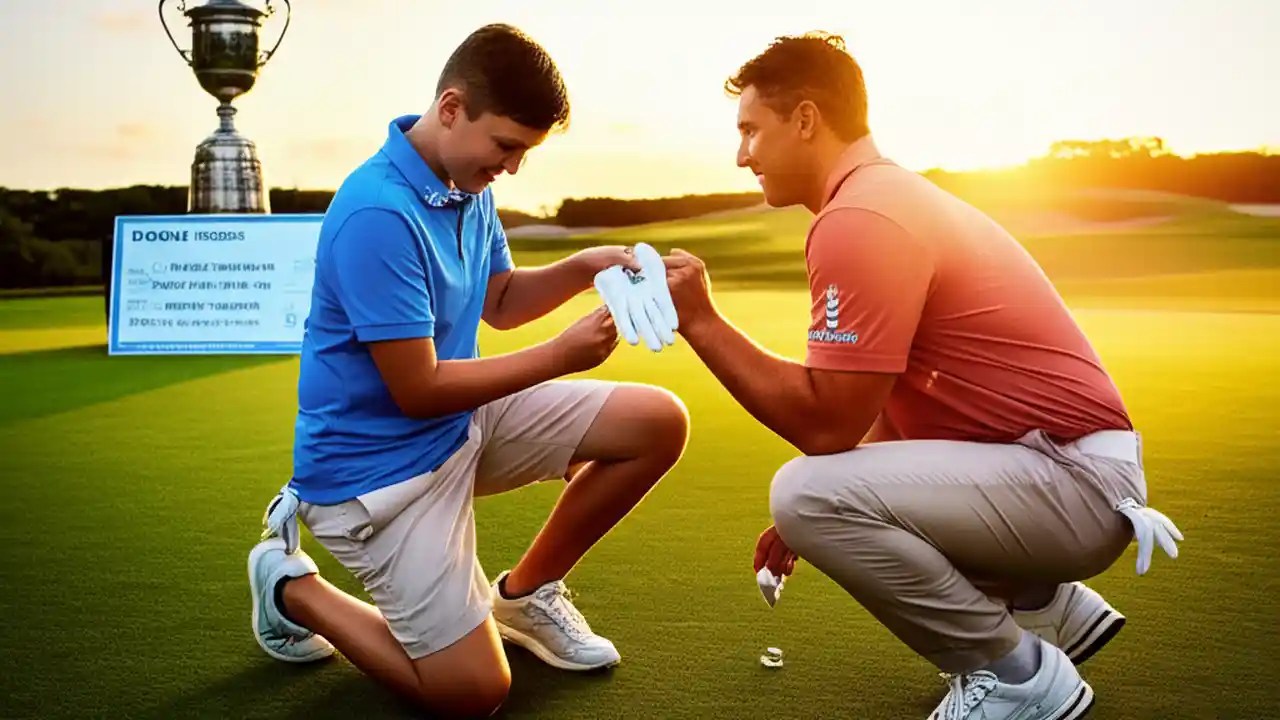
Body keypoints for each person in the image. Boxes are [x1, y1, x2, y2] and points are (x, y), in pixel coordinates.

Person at [662, 31, 1182, 720]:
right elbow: (879, 415)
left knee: (805, 492)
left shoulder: (862, 215)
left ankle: (1019, 672)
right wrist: (834, 495)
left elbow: (827, 423)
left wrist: (700, 321)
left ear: (807, 120)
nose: (742, 155)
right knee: (817, 495)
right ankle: (1042, 605)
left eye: (752, 130)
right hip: (1066, 476)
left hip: (1072, 487)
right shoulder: (884, 196)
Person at [245, 24, 689, 719]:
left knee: (657, 422)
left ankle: (524, 596)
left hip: (457, 425)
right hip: (378, 478)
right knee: (474, 693)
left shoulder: (465, 185)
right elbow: (417, 388)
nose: (511, 168)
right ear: (451, 108)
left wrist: (582, 267)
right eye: (506, 146)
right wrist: (561, 355)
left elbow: (501, 303)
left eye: (524, 152)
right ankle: (289, 586)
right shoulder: (376, 212)